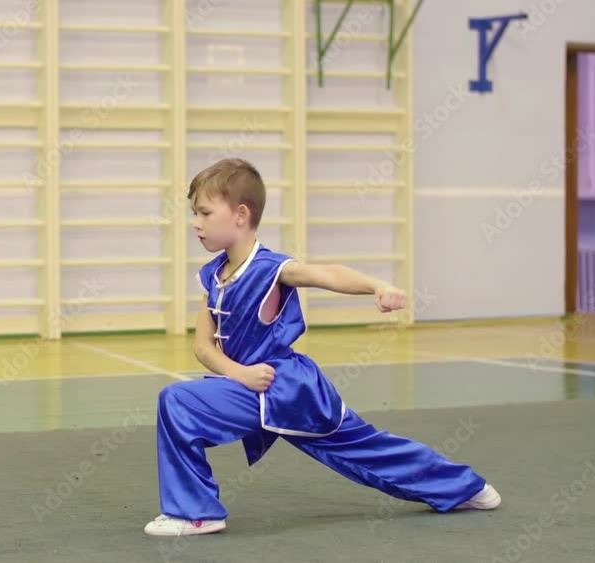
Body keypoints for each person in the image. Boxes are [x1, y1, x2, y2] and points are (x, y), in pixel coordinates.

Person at [143, 158, 500, 537]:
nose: (196, 222)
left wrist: (377, 286)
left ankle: (465, 487)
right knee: (179, 403)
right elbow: (203, 347)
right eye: (194, 213)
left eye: (204, 212)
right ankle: (194, 510)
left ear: (240, 215)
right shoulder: (212, 277)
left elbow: (328, 273)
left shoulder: (271, 269)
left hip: (288, 388)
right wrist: (239, 373)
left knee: (364, 450)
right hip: (251, 386)